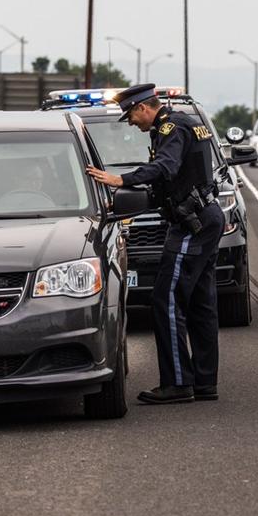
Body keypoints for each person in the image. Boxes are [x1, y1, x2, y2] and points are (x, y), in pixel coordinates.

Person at [86, 84, 223, 405]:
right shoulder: (187, 123)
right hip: (206, 216)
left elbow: (166, 168)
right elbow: (173, 183)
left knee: (167, 299)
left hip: (191, 224)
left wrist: (122, 180)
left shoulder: (170, 128)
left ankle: (178, 383)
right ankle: (205, 382)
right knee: (201, 303)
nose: (131, 122)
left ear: (144, 107)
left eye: (131, 115)